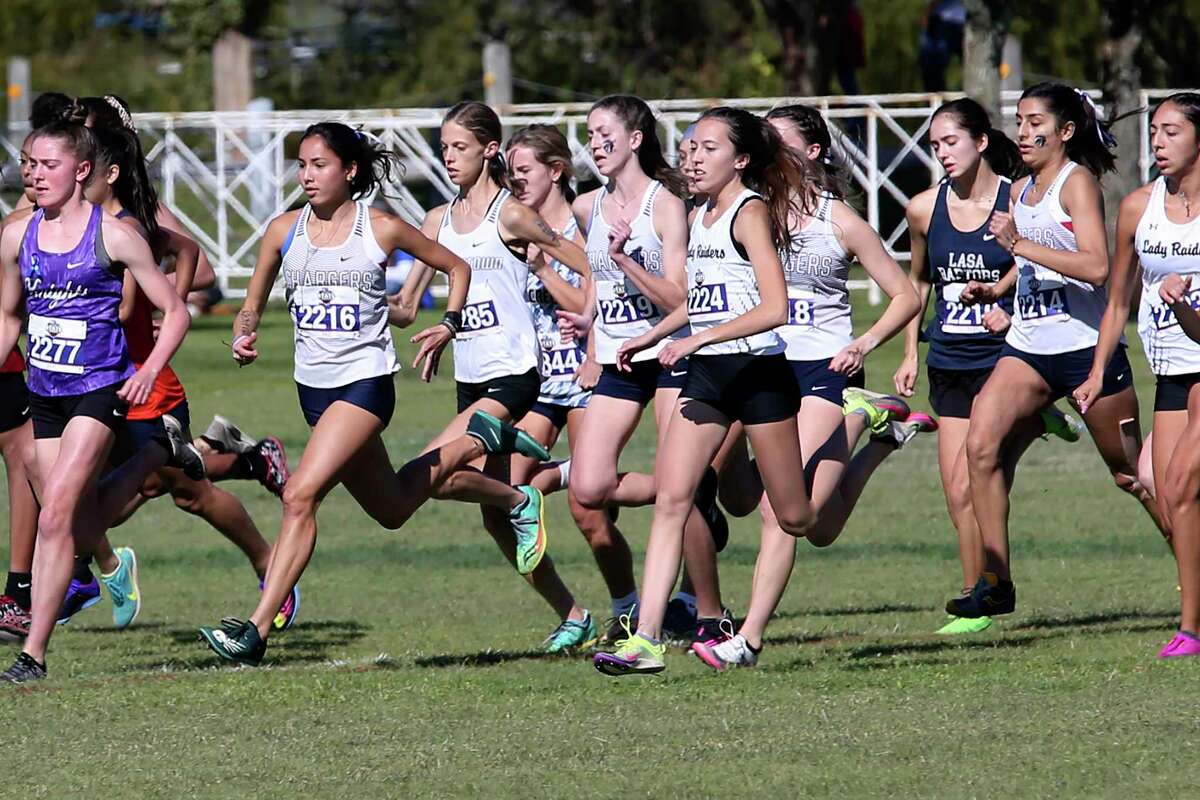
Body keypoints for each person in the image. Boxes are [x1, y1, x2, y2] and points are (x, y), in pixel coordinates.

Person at [199, 122, 552, 666]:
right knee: (392, 507)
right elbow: (251, 304)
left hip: (364, 385)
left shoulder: (381, 228)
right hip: (313, 392)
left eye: (319, 165)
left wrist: (450, 323)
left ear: (350, 170)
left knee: (299, 496)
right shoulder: (282, 230)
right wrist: (245, 332)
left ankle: (255, 630)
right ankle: (489, 458)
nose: (307, 175)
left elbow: (455, 266)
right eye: (301, 165)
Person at [692, 104, 928, 670]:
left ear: (813, 151)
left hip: (824, 370)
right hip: (756, 366)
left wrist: (864, 344)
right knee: (755, 503)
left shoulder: (838, 220)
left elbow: (905, 294)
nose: (766, 149)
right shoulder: (747, 209)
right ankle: (874, 428)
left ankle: (747, 639)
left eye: (778, 140)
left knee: (779, 512)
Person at [593, 106, 822, 675]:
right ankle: (647, 641)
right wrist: (652, 336)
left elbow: (775, 308)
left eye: (708, 148)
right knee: (673, 500)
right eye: (691, 147)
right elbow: (701, 300)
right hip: (707, 378)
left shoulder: (750, 212)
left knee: (796, 518)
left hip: (758, 376)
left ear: (740, 160)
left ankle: (870, 433)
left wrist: (699, 339)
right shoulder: (698, 213)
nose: (693, 157)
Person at [951, 82, 1164, 620]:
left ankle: (1191, 556)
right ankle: (996, 582)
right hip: (1028, 347)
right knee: (980, 447)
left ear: (1066, 131)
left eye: (1035, 122)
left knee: (1131, 475)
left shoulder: (1078, 184)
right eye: (1020, 121)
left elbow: (1096, 267)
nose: (1023, 132)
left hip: (1085, 349)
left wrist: (1018, 244)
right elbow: (1030, 260)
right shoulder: (1020, 189)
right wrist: (999, 288)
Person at [0, 108, 197, 683]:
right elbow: (9, 316)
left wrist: (149, 369)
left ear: (81, 170)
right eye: (30, 164)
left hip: (99, 388)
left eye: (49, 165)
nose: (36, 174)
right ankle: (158, 450)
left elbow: (176, 311)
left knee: (56, 514)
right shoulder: (16, 235)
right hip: (45, 391)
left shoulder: (114, 235)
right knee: (72, 515)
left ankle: (32, 654)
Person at [80, 124, 298, 631]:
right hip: (100, 381)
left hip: (144, 385)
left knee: (183, 491)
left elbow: (182, 262)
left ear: (105, 172)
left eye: (78, 168)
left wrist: (168, 306)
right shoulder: (71, 223)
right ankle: (238, 455)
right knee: (107, 498)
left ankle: (269, 563)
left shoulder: (125, 227)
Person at [895, 97, 1082, 636]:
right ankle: (976, 591)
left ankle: (984, 589)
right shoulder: (921, 209)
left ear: (980, 142)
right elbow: (918, 281)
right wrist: (909, 352)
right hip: (949, 358)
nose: (942, 152)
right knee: (957, 490)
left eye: (951, 141)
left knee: (982, 470)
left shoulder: (1016, 199)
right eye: (934, 144)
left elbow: (1040, 264)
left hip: (1006, 357)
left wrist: (1006, 300)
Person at [551, 95, 727, 644]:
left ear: (635, 139)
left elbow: (682, 298)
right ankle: (694, 492)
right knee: (590, 484)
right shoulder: (587, 207)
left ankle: (709, 615)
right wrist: (589, 321)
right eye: (589, 134)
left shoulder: (665, 204)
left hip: (670, 353)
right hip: (618, 358)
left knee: (678, 492)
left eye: (605, 134)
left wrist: (627, 260)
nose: (595, 144)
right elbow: (596, 278)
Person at [1081, 93, 1200, 658]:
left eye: (1172, 131)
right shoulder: (1137, 207)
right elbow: (1116, 301)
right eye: (1154, 130)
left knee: (1181, 486)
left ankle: (1191, 629)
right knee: (1156, 485)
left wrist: (1185, 309)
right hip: (1170, 372)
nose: (1157, 141)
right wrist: (1097, 370)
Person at [502, 123, 602, 651]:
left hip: (585, 375)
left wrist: (543, 268)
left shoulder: (583, 223)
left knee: (590, 508)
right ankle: (572, 614)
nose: (515, 181)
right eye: (511, 172)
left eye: (524, 171)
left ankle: (628, 602)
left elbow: (592, 301)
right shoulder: (513, 224)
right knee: (507, 498)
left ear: (556, 170)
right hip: (539, 382)